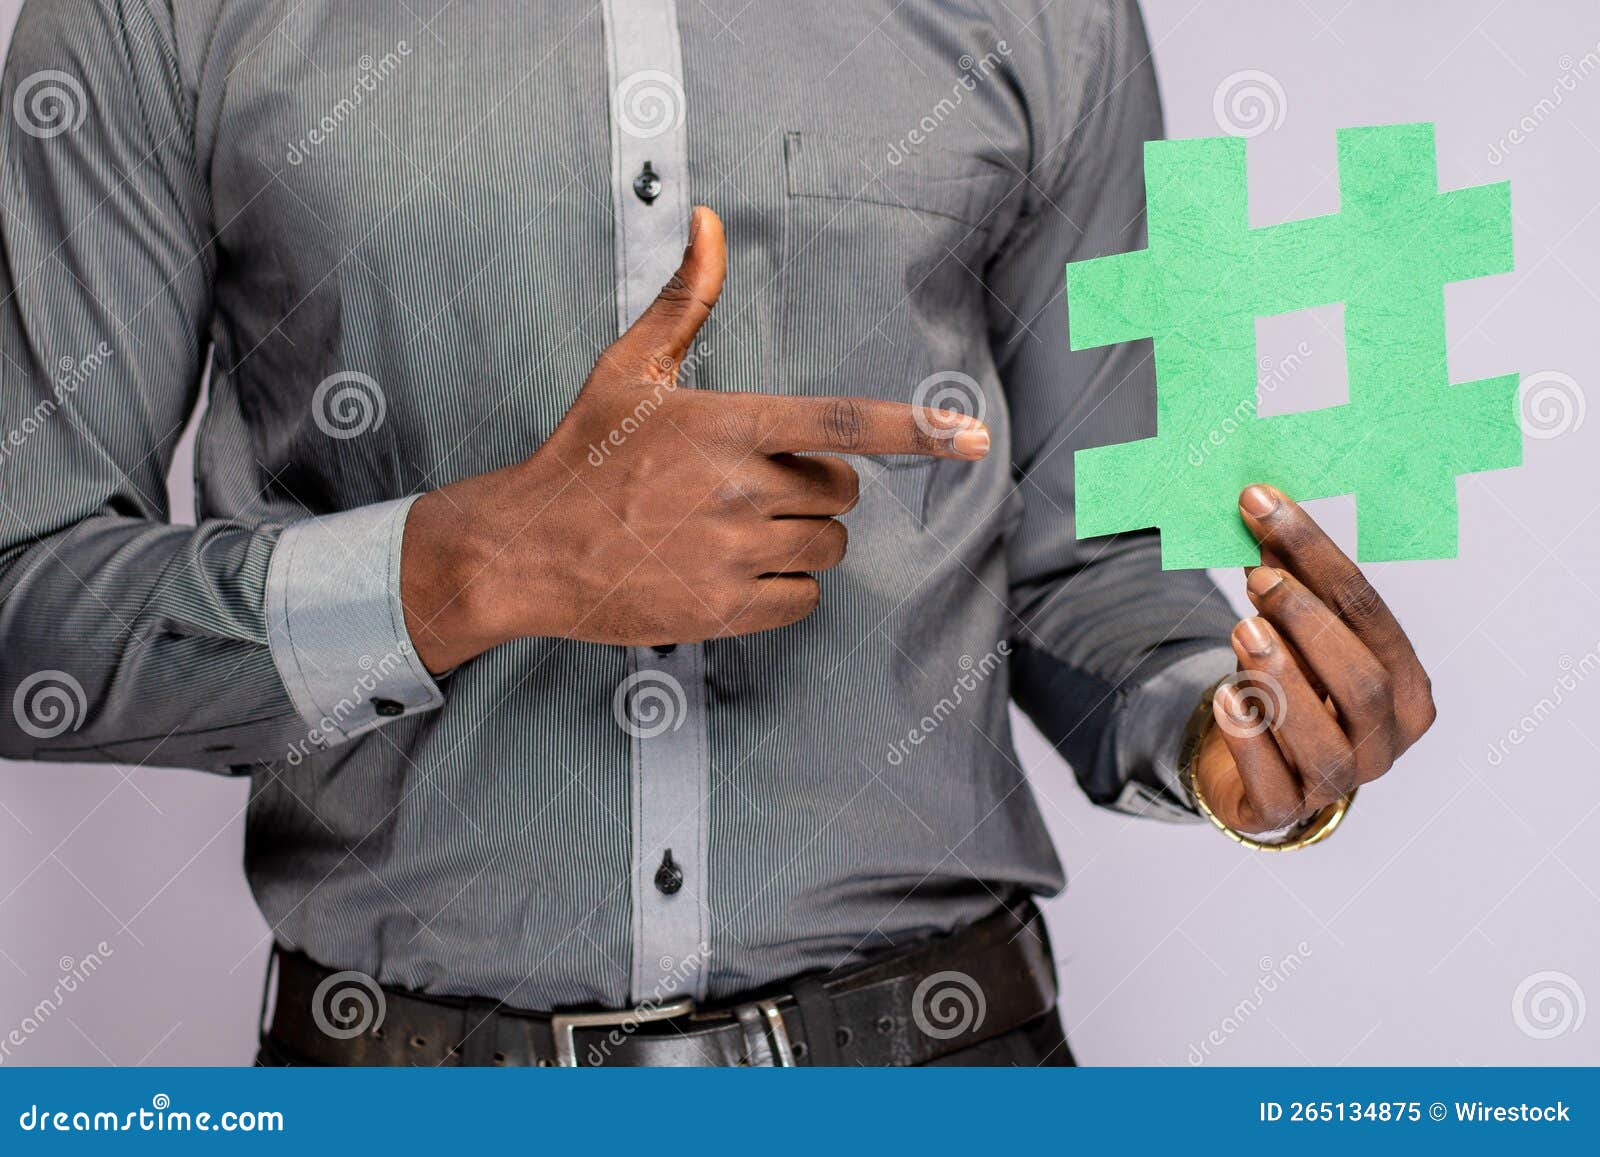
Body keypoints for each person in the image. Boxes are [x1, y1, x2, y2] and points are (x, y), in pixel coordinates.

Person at [0, 0, 1433, 1066]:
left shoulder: (1057, 16)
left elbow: (1094, 559)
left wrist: (1227, 721)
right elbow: (25, 601)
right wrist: (478, 563)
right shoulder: (154, 15)